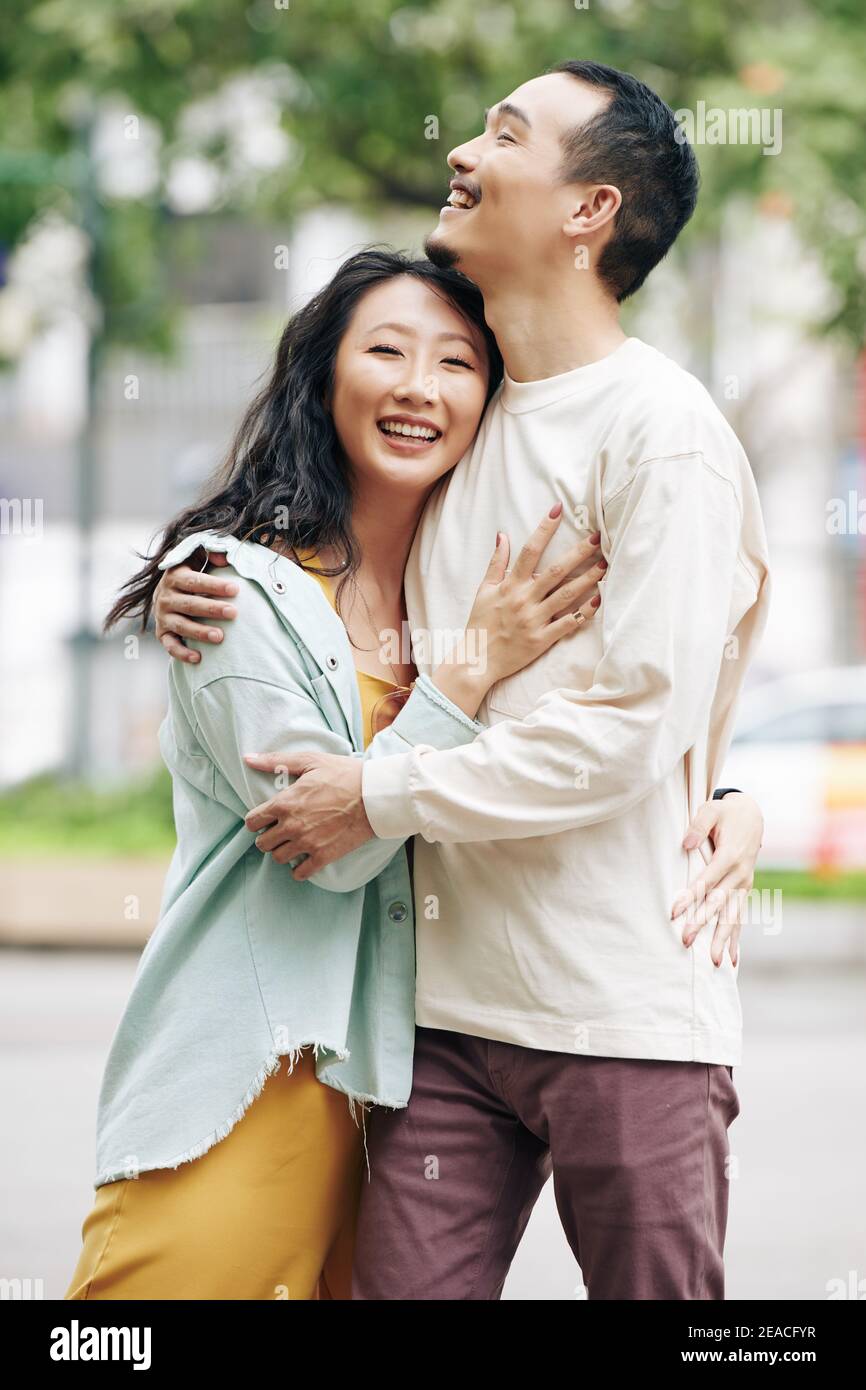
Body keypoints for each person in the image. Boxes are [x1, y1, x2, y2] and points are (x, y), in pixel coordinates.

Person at [156, 61, 770, 1301]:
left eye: (503, 133)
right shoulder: (468, 410)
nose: (465, 151)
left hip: (621, 1012)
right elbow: (347, 579)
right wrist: (192, 576)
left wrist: (725, 785)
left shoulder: (664, 430)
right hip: (437, 1019)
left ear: (587, 210)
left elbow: (636, 716)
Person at [65, 250, 606, 1301]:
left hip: (408, 1114)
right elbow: (326, 851)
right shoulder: (234, 592)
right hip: (240, 1093)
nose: (419, 386)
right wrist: (461, 679)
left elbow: (597, 738)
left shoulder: (484, 596)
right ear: (323, 379)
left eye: (456, 361)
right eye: (386, 352)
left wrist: (727, 798)